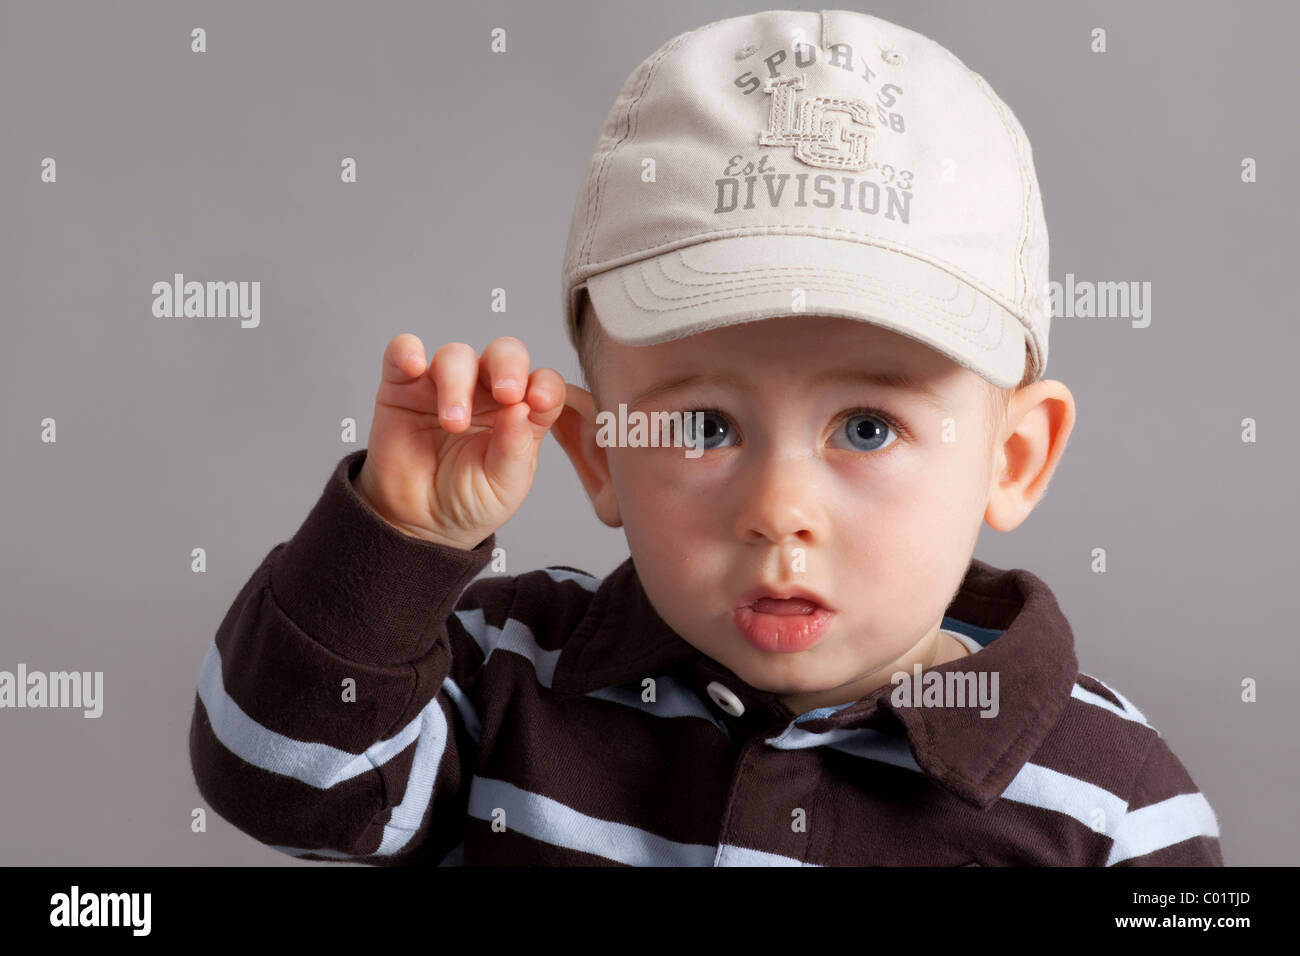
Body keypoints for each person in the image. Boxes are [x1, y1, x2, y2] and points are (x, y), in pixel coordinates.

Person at [189, 9, 1222, 865]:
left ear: (1013, 456)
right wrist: (393, 537)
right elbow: (279, 778)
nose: (778, 507)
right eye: (702, 424)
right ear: (599, 455)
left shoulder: (1117, 807)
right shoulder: (509, 681)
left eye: (867, 426)